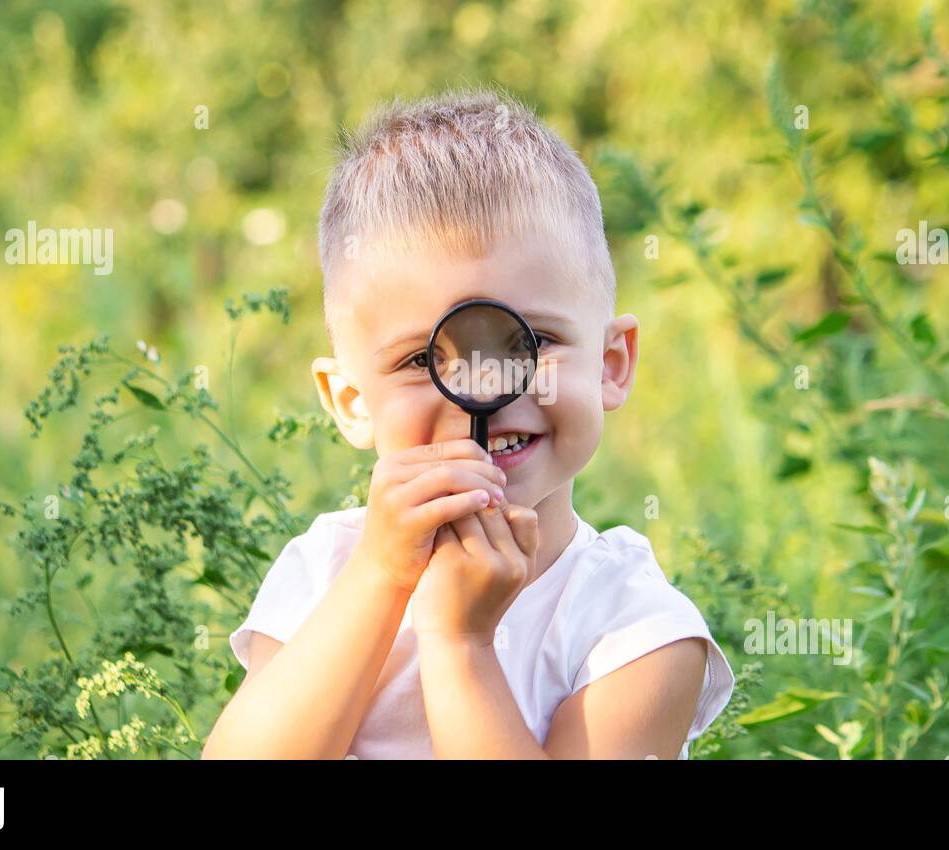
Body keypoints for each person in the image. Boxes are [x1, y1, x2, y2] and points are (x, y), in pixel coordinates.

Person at [203, 86, 734, 759]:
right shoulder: (328, 572)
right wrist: (381, 578)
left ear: (610, 363)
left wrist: (460, 647)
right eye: (424, 357)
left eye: (530, 342)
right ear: (351, 401)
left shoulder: (636, 634)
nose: (482, 388)